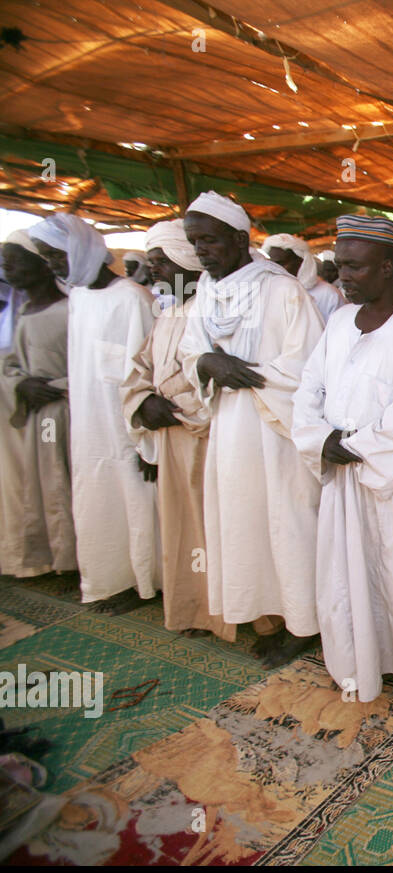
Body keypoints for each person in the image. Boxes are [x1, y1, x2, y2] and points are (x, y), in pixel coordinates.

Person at [292, 215, 393, 701]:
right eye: (340, 267)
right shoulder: (337, 322)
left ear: (387, 268)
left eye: (355, 268)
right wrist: (320, 439)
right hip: (342, 477)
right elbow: (308, 389)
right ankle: (363, 666)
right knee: (348, 579)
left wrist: (353, 447)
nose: (344, 278)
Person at [177, 191, 325, 668]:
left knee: (288, 523)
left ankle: (304, 623)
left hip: (275, 432)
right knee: (244, 522)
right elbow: (189, 351)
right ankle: (266, 612)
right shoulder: (204, 289)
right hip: (229, 430)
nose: (201, 250)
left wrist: (250, 375)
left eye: (209, 239)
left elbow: (309, 367)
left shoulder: (282, 290)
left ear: (240, 239)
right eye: (194, 241)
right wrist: (208, 362)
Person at [30, 213, 159, 614]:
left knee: (137, 504)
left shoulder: (133, 298)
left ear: (81, 249)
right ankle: (111, 579)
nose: (52, 264)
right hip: (89, 428)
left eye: (56, 254)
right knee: (96, 503)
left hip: (127, 430)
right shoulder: (80, 298)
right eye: (46, 257)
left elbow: (147, 375)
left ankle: (146, 582)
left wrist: (146, 441)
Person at [122, 220, 235, 641]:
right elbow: (138, 371)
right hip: (171, 440)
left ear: (184, 262)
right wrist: (144, 403)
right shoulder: (167, 315)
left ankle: (233, 614)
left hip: (210, 440)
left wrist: (184, 411)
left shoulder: (218, 311)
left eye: (161, 262)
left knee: (218, 528)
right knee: (183, 529)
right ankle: (196, 610)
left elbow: (231, 379)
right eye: (151, 263)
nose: (155, 271)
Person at [0, 230, 73, 579]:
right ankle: (55, 557)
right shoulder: (26, 311)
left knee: (67, 483)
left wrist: (57, 387)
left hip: (68, 412)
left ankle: (76, 559)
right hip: (40, 415)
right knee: (46, 484)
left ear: (44, 266)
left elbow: (95, 366)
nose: (7, 267)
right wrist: (23, 384)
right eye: (5, 261)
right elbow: (12, 366)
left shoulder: (70, 309)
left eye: (15, 260)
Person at [262, 234, 345, 321]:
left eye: (281, 263)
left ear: (301, 262)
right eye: (273, 263)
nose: (276, 268)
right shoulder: (270, 292)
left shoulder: (328, 294)